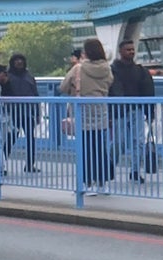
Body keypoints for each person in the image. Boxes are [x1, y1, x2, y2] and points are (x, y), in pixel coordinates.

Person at [63, 37, 113, 187]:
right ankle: (102, 180)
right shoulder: (107, 68)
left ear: (86, 52)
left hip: (82, 111)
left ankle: (87, 181)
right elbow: (110, 83)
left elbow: (63, 86)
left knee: (84, 148)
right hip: (101, 110)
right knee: (99, 146)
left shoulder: (78, 68)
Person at [109, 31, 157, 178]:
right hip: (119, 111)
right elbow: (112, 91)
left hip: (137, 109)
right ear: (120, 52)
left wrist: (150, 112)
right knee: (119, 142)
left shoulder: (140, 71)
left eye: (132, 49)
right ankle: (110, 164)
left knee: (139, 141)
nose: (131, 52)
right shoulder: (113, 70)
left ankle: (135, 171)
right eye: (128, 50)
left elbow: (147, 91)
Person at [2, 50, 41, 170]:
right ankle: (1, 162)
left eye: (21, 60)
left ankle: (30, 164)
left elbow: (35, 94)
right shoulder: (7, 76)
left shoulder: (29, 76)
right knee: (11, 137)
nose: (19, 62)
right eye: (16, 60)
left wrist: (37, 113)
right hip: (13, 112)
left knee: (30, 138)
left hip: (28, 112)